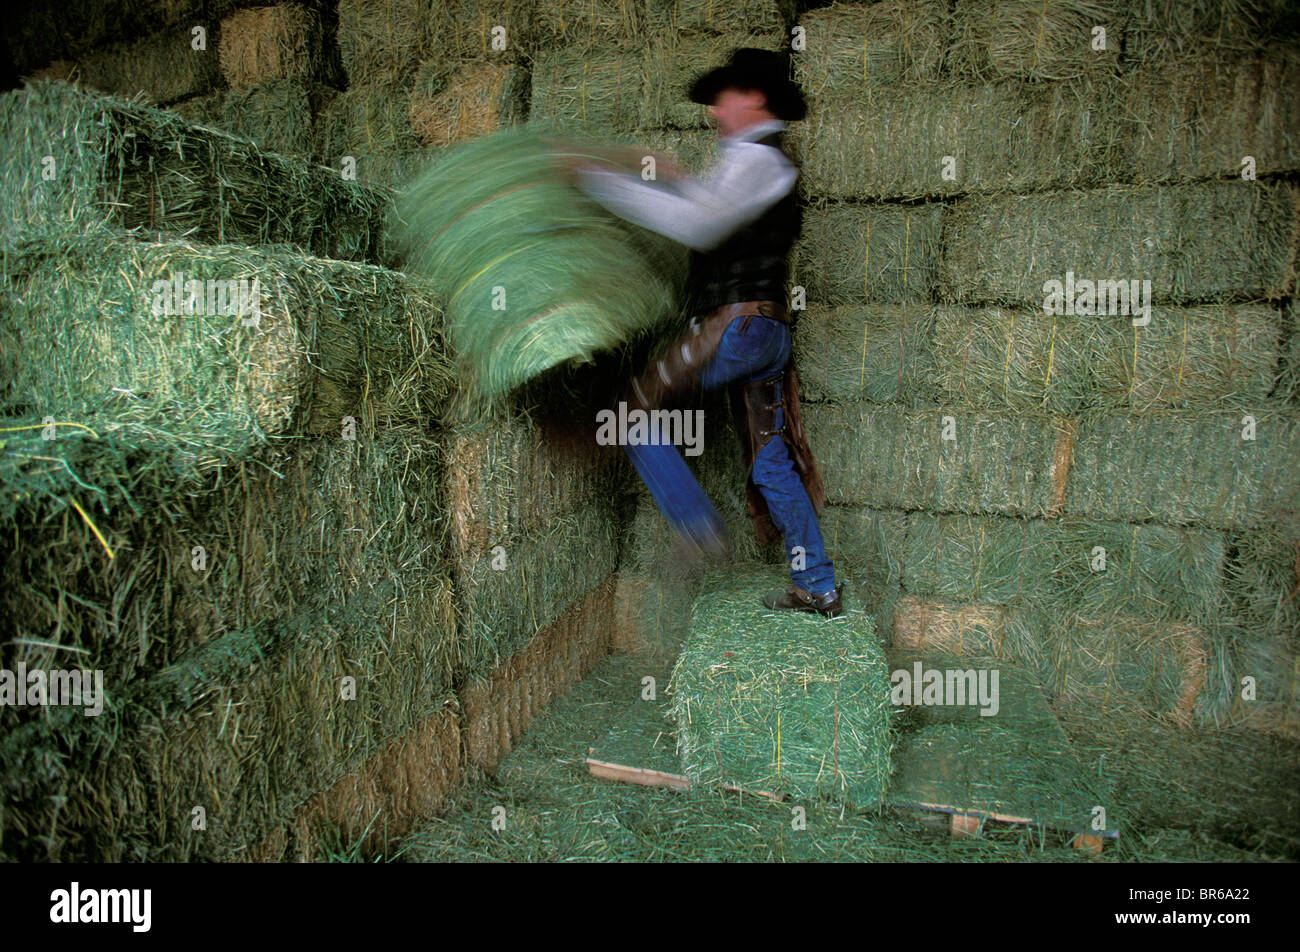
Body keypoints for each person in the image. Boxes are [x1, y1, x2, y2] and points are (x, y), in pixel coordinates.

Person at [569, 47, 843, 618]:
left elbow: (700, 222)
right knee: (772, 464)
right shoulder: (770, 163)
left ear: (754, 98)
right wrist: (669, 177)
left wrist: (598, 182)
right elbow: (712, 208)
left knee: (630, 414)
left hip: (736, 328)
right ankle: (816, 583)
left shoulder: (757, 160)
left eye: (723, 98)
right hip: (767, 335)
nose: (715, 112)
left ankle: (694, 524)